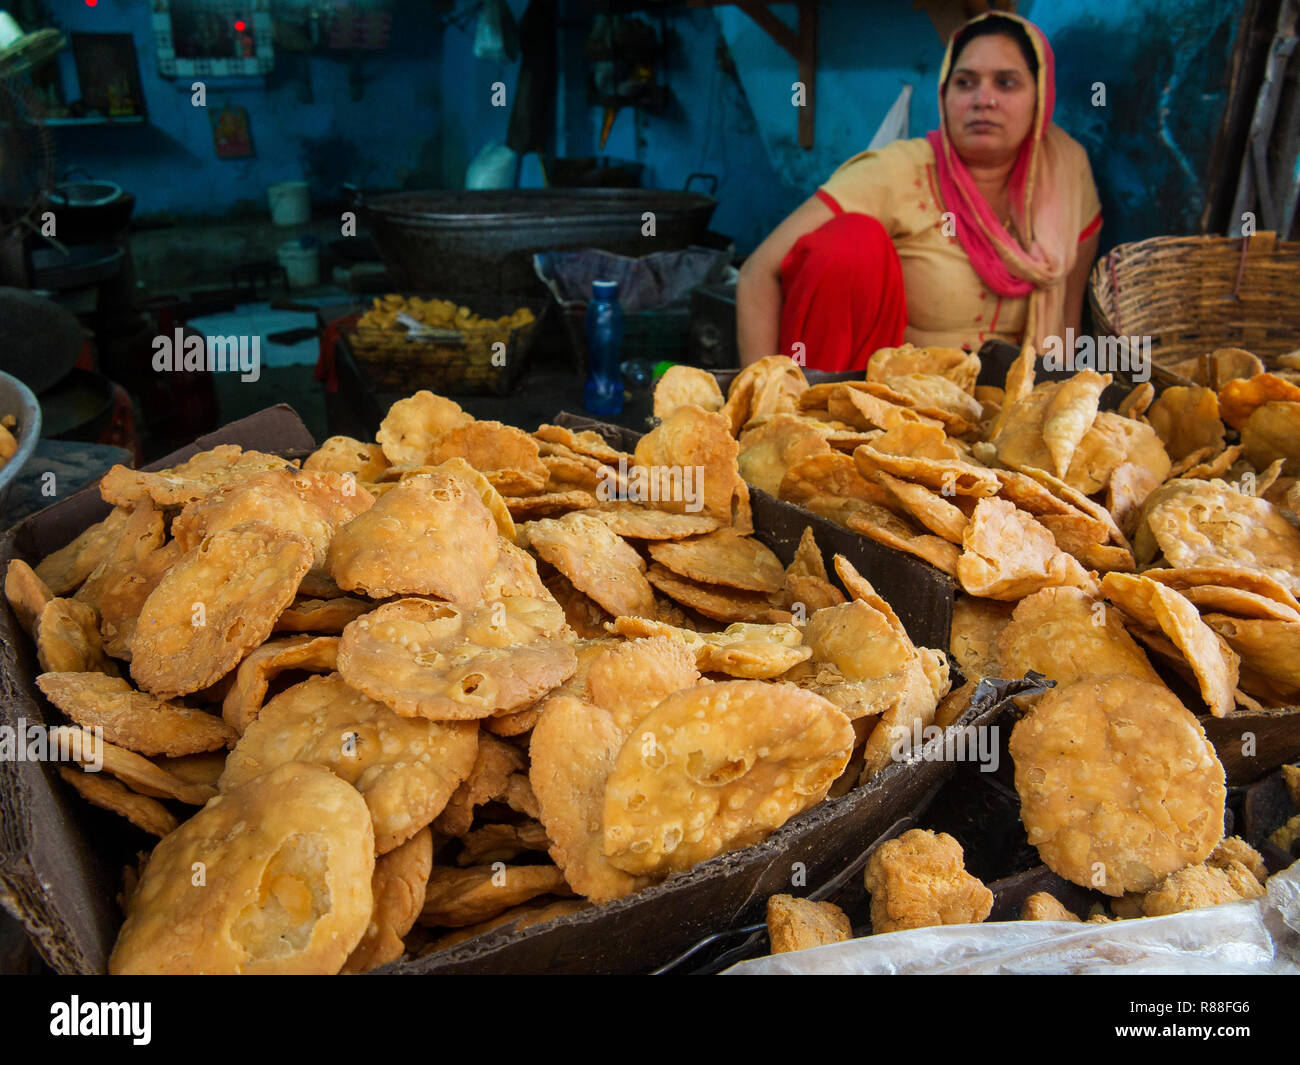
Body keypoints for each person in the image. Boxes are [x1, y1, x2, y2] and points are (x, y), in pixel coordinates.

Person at [736, 11, 1102, 370]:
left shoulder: (1065, 175)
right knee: (850, 244)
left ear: (1041, 97)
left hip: (1004, 403)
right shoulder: (897, 171)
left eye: (1006, 83)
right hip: (894, 402)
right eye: (965, 82)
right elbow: (757, 273)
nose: (983, 99)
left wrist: (1056, 404)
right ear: (944, 96)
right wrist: (767, 402)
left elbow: (1068, 313)